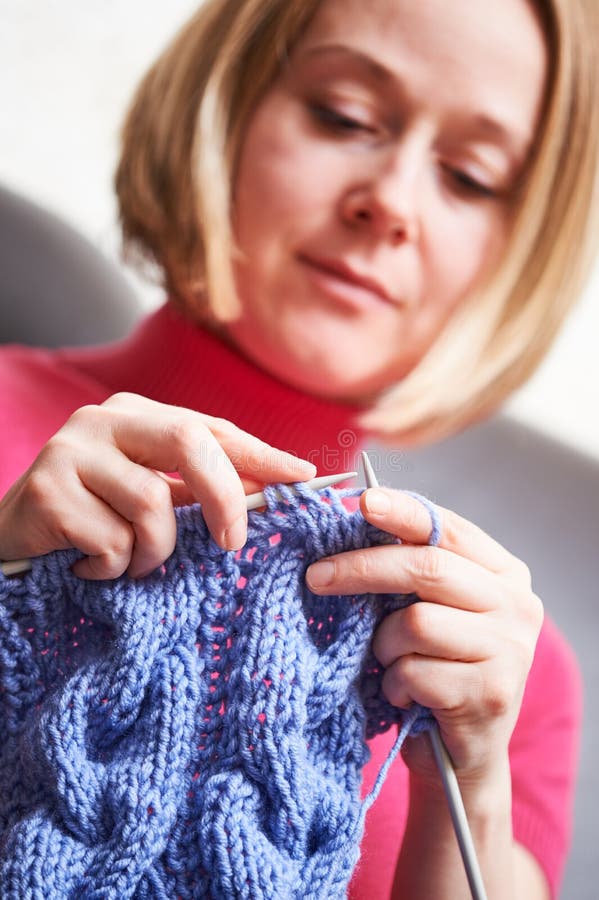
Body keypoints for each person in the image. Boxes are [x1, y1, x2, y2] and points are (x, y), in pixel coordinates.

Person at [0, 0, 597, 896]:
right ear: (225, 104)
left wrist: (470, 790)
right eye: (343, 117)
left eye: (470, 177)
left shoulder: (514, 665)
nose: (389, 202)